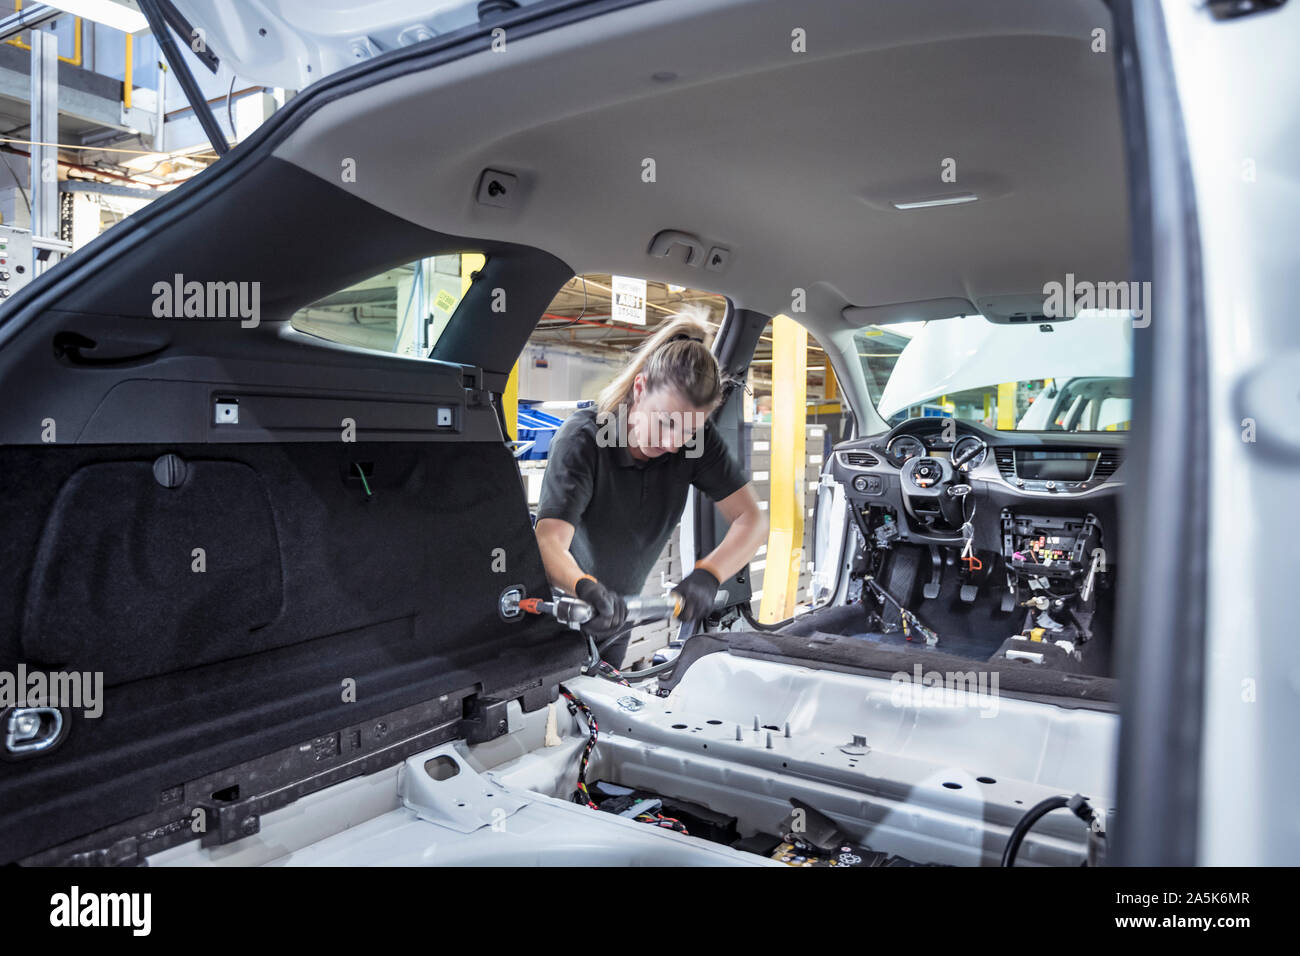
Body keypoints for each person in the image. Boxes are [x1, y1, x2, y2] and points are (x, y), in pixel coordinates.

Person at [534, 307, 768, 670]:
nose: (674, 443)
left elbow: (751, 519)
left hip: (618, 620)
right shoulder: (586, 438)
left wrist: (710, 573)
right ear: (640, 389)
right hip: (562, 615)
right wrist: (584, 587)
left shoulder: (695, 443)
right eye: (666, 423)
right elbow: (548, 542)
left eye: (688, 431)